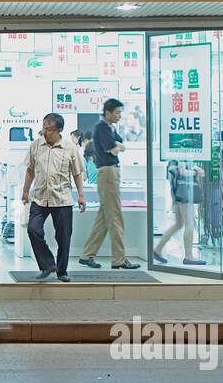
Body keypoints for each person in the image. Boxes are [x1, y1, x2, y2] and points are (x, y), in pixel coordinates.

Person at [21, 113, 86, 282]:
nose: (45, 132)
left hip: (62, 198)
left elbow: (77, 173)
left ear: (59, 130)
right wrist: (25, 191)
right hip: (39, 197)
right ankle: (48, 264)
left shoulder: (70, 148)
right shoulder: (35, 145)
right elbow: (30, 170)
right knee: (33, 230)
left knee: (64, 237)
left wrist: (80, 195)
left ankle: (61, 271)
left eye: (49, 129)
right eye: (44, 128)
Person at [80, 99, 141, 270]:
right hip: (108, 173)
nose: (119, 115)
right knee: (115, 216)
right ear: (107, 112)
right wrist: (117, 146)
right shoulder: (101, 128)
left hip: (110, 172)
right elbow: (113, 149)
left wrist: (117, 146)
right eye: (117, 112)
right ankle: (119, 259)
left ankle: (87, 255)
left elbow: (121, 146)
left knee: (104, 217)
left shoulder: (110, 128)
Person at [154, 161, 207, 265]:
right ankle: (188, 256)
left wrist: (196, 170)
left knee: (178, 224)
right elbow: (182, 172)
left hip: (178, 192)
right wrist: (196, 172)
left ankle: (157, 249)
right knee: (189, 223)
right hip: (184, 192)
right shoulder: (181, 155)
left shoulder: (174, 158)